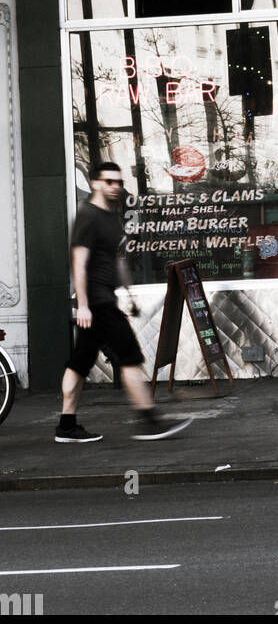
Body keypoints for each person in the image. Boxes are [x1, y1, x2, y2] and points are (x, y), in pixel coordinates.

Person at [55, 161, 194, 442]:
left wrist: (129, 293)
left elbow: (116, 260)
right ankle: (149, 421)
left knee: (80, 363)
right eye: (109, 182)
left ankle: (66, 426)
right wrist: (82, 304)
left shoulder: (110, 216)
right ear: (95, 183)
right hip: (96, 301)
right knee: (130, 356)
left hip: (105, 298)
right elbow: (79, 264)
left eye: (118, 182)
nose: (116, 186)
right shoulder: (88, 216)